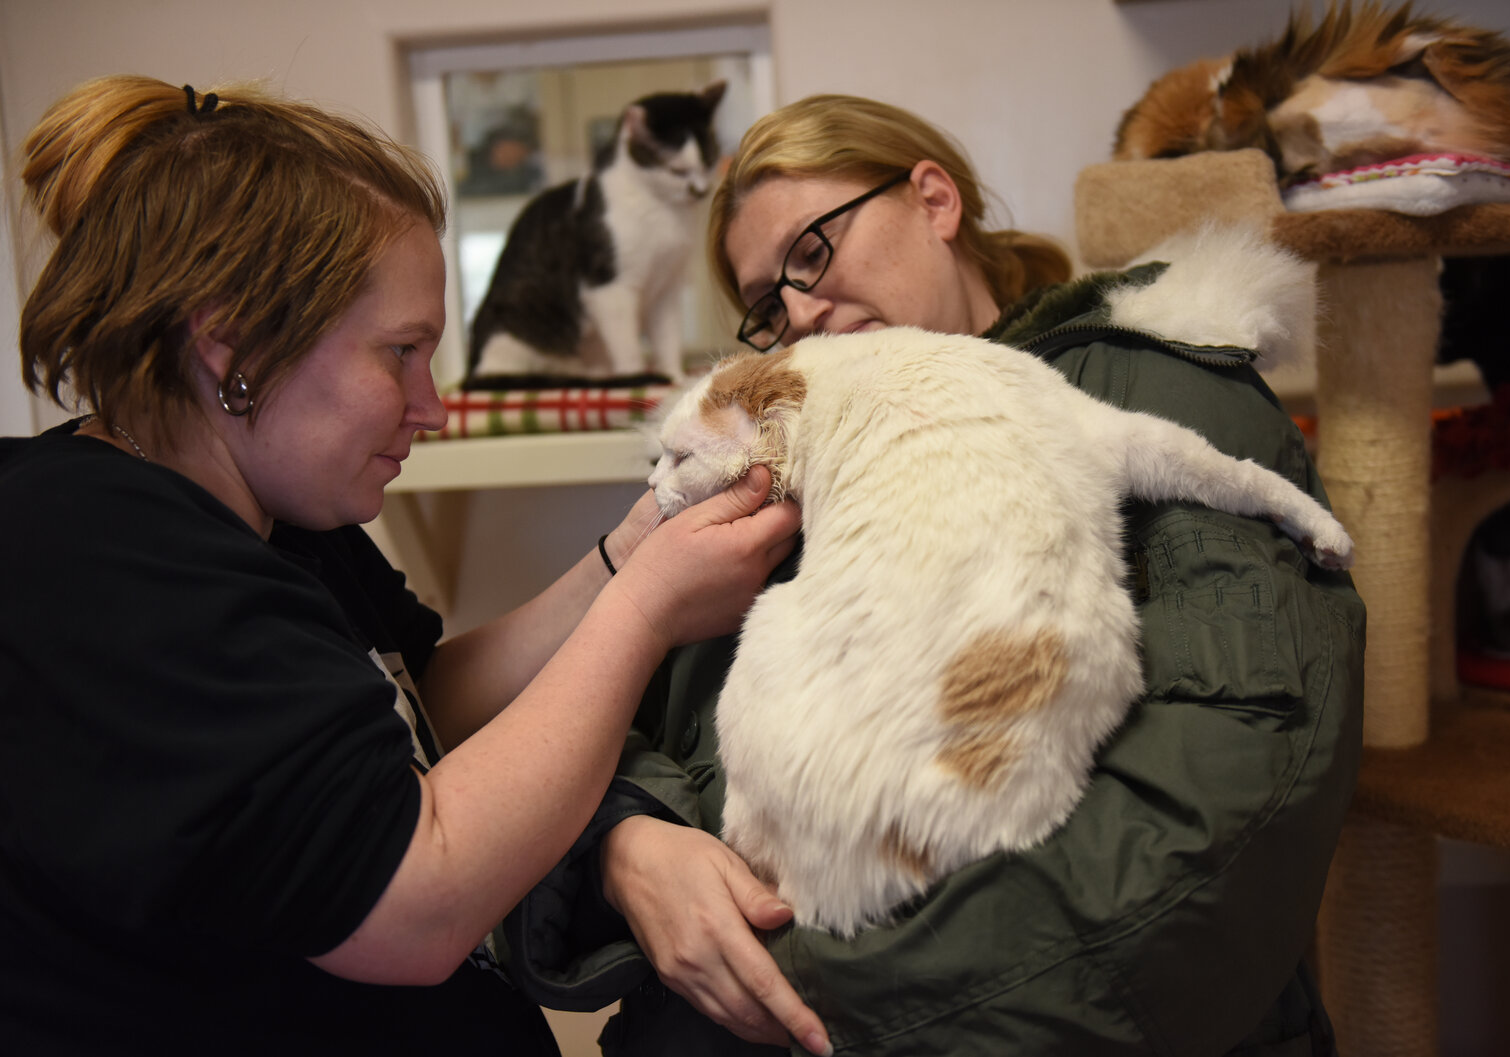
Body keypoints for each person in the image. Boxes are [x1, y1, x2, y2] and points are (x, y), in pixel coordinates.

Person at [510, 95, 1366, 1056]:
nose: (798, 313)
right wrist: (631, 844)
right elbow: (616, 728)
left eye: (811, 252)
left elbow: (1203, 834)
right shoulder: (790, 461)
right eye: (765, 306)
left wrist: (775, 988)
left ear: (933, 198)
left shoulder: (1153, 391)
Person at [0, 75, 800, 1054]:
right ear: (232, 346)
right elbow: (415, 902)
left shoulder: (286, 512)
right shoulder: (94, 551)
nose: (433, 406)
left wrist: (618, 558)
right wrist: (643, 612)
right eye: (400, 353)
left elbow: (417, 697)